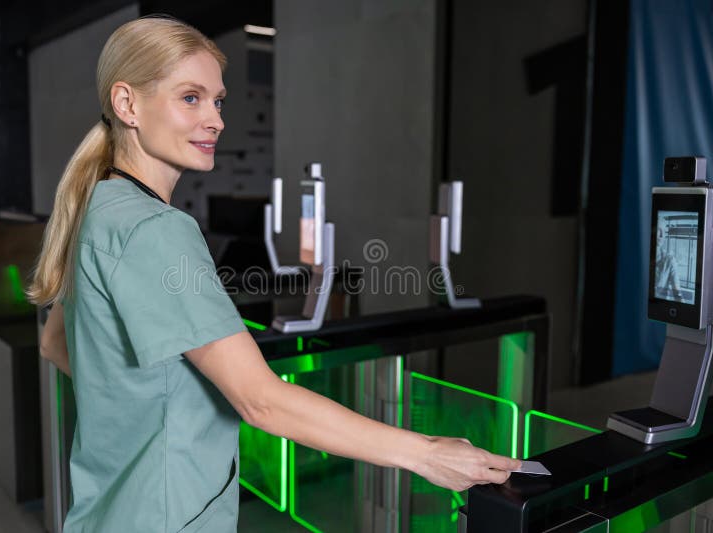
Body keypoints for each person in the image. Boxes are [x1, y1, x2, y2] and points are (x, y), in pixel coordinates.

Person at [29, 15, 520, 533]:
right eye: (190, 98)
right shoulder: (157, 230)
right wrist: (425, 453)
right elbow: (260, 400)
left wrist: (134, 404)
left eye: (217, 101)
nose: (216, 120)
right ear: (128, 104)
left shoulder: (98, 208)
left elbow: (55, 343)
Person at [654, 221, 683, 301]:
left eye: (665, 232)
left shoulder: (670, 260)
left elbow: (677, 294)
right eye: (659, 230)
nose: (662, 236)